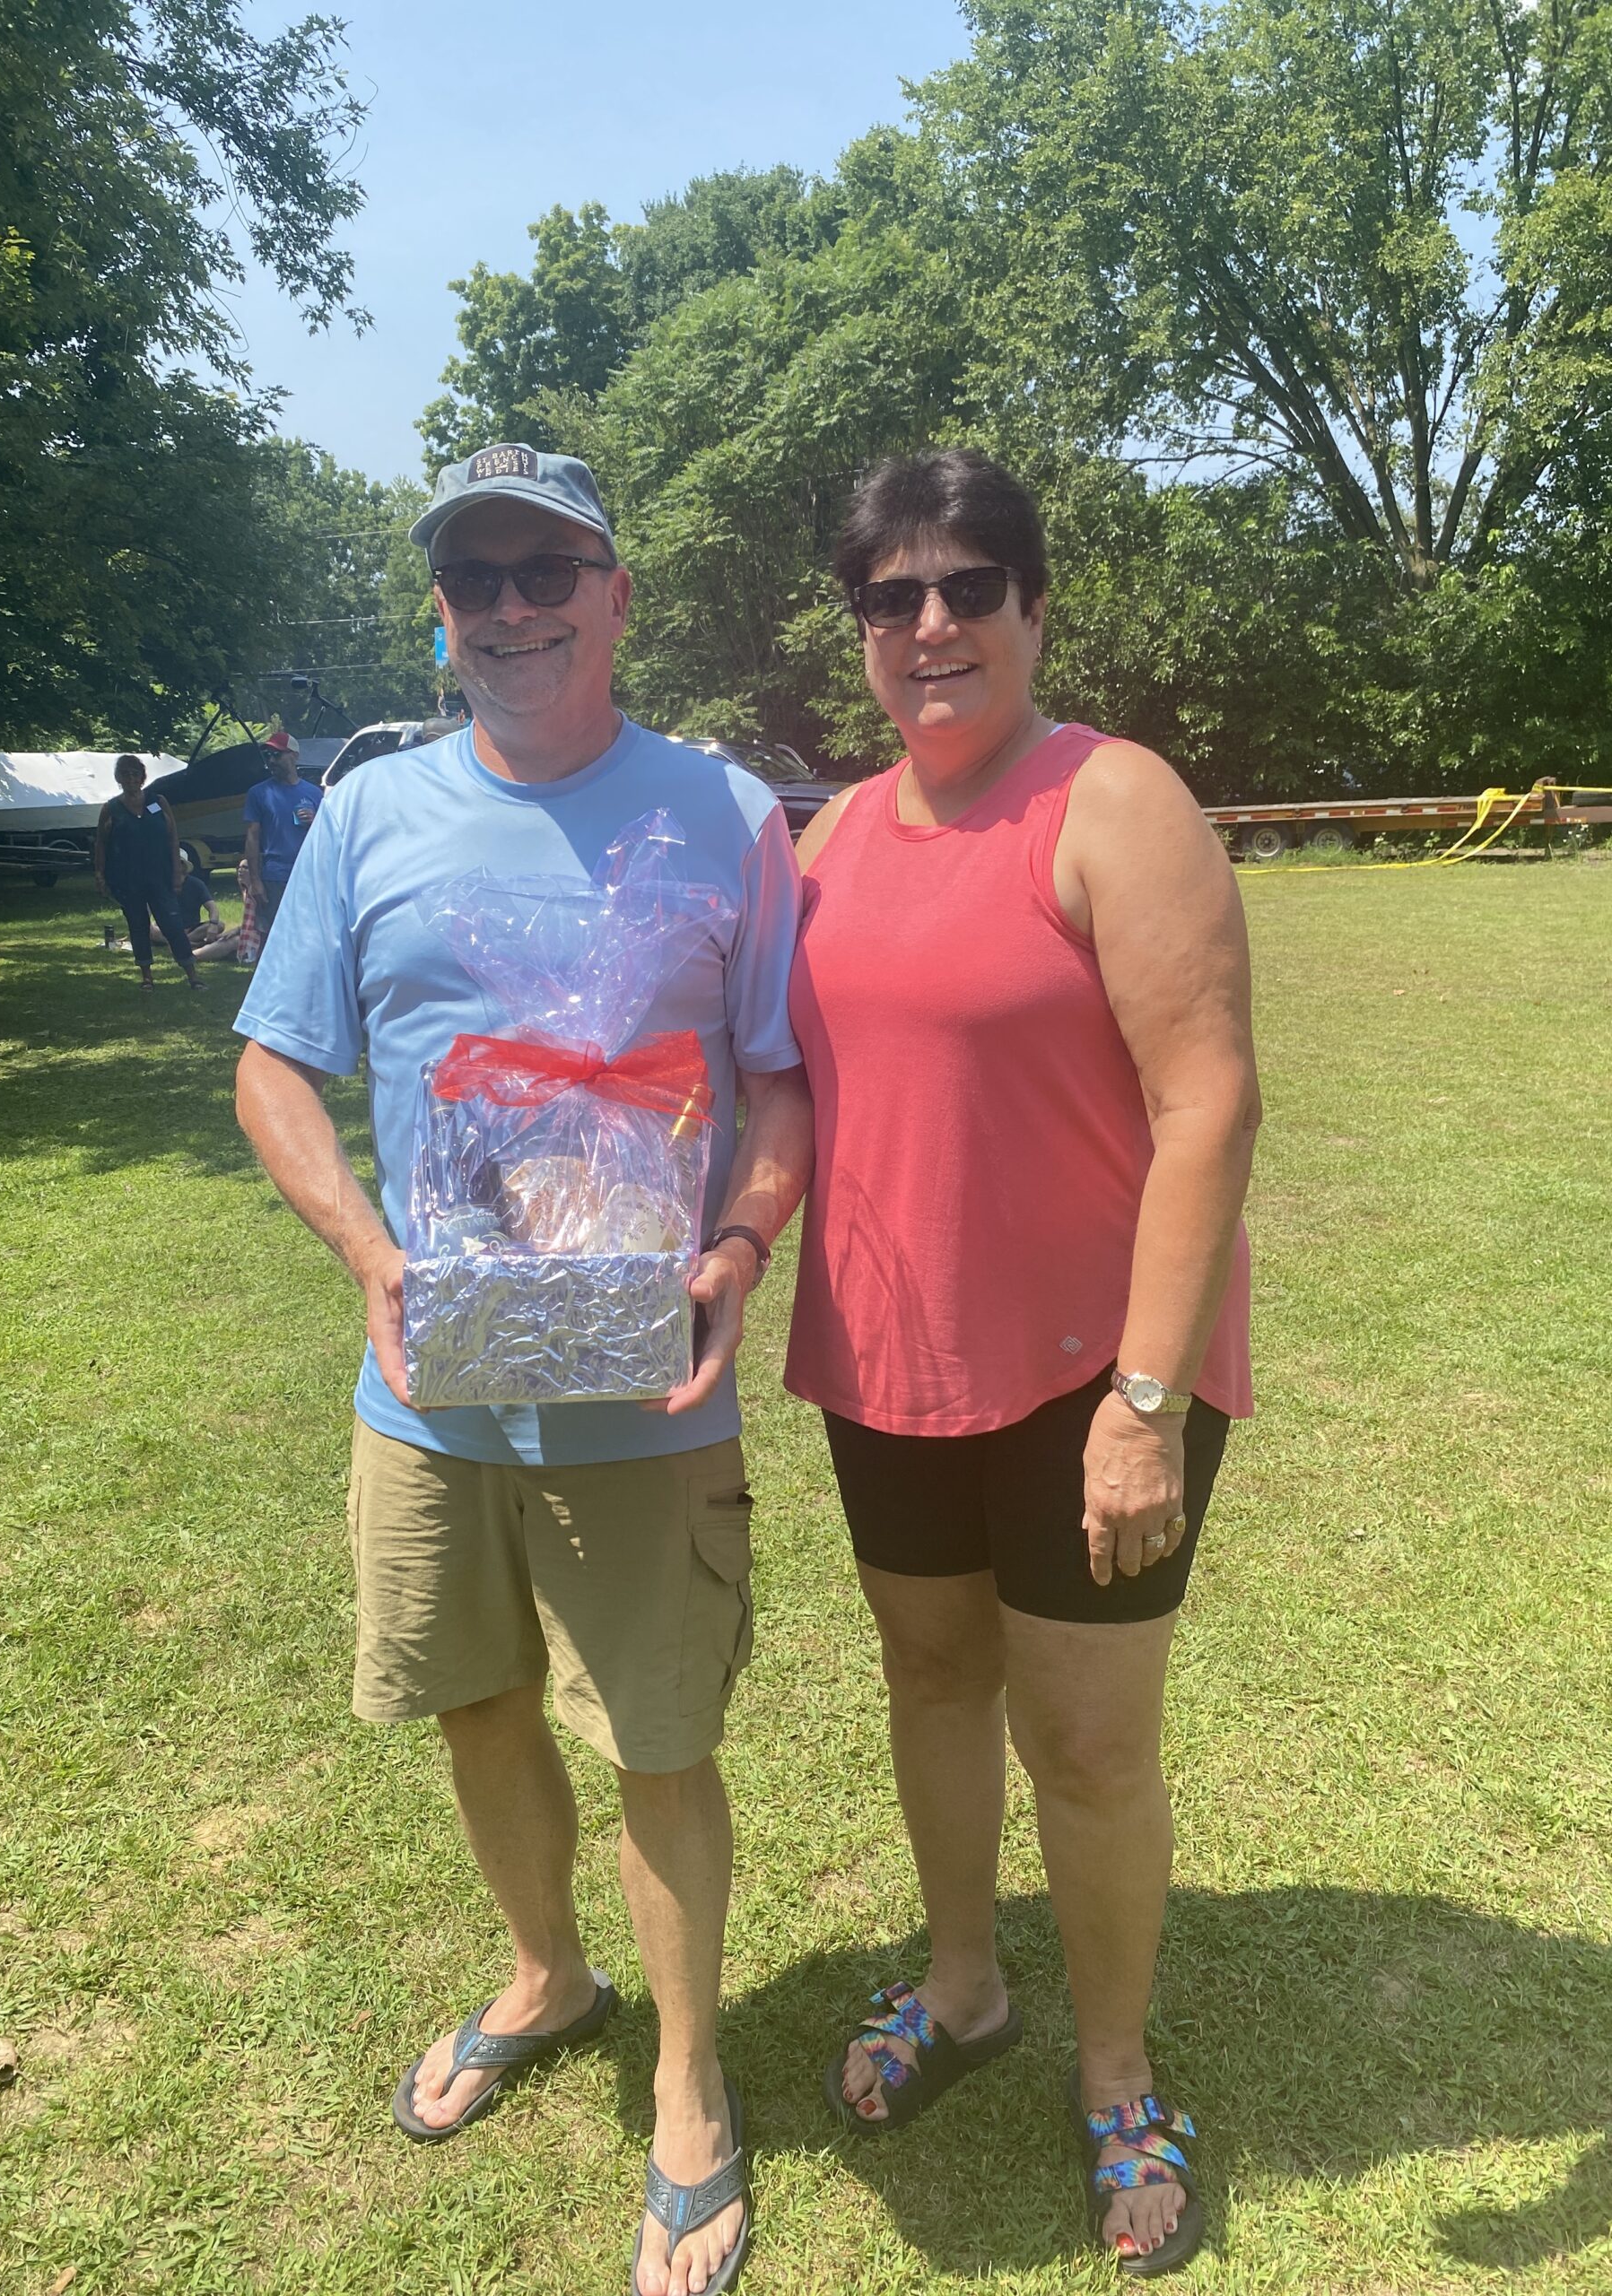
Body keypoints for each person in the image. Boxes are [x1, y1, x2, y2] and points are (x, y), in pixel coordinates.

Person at [233, 443, 812, 2296]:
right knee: (476, 1700)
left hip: (648, 1388)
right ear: (442, 610)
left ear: (614, 589)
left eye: (546, 567)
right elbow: (272, 1064)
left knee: (659, 1735)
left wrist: (735, 1246)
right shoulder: (371, 815)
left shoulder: (728, 811)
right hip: (431, 1383)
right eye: (473, 577)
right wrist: (370, 1248)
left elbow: (783, 1076)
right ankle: (550, 1969)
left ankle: (693, 2087)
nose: (508, 607)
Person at [786, 449, 1258, 2277]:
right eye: (890, 598)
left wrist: (1145, 1405)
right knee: (929, 1672)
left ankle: (1118, 2067)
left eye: (968, 586)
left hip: (1096, 1375)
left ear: (1034, 607)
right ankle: (968, 1977)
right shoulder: (829, 836)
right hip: (891, 1356)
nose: (929, 625)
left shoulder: (1112, 799)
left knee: (1083, 1735)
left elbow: (1207, 1100)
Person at [93, 754, 201, 991]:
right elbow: (101, 843)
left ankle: (193, 975)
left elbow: (173, 838)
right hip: (127, 878)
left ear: (142, 777)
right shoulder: (111, 808)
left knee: (172, 924)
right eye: (125, 774)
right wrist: (100, 875)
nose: (130, 778)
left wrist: (176, 871)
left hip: (160, 875)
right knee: (138, 925)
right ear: (118, 778)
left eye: (135, 773)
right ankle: (147, 977)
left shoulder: (158, 802)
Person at [242, 729, 324, 934]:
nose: (272, 760)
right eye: (268, 755)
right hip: (275, 876)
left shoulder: (314, 793)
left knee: (308, 932)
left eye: (277, 754)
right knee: (271, 935)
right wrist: (255, 881)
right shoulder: (259, 793)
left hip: (308, 875)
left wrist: (315, 822)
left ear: (294, 756)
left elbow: (326, 837)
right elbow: (252, 837)